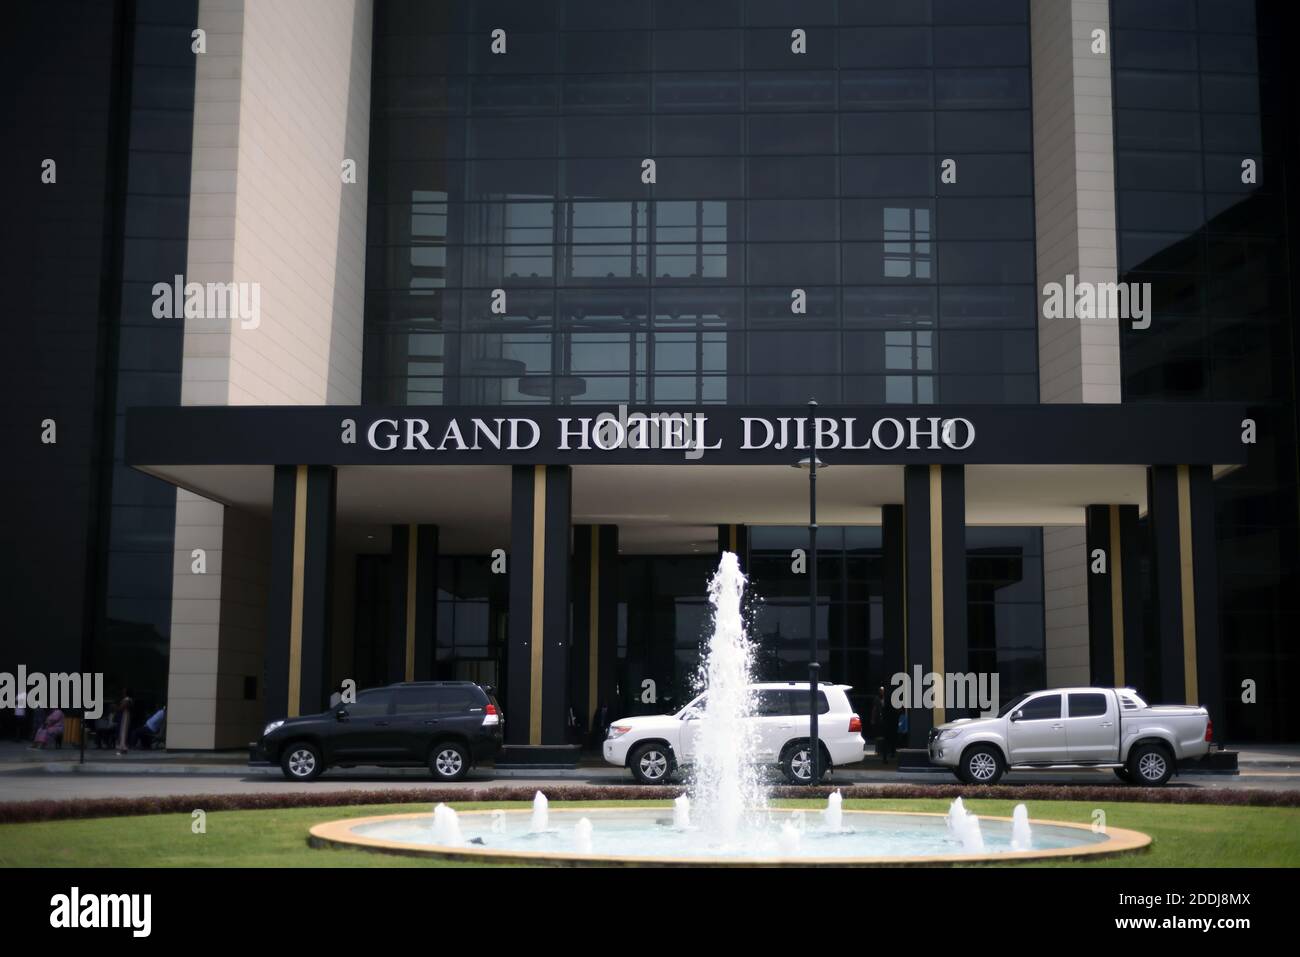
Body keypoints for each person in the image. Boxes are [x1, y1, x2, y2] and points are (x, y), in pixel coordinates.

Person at [871, 684, 899, 764]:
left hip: (887, 723)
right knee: (886, 739)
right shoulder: (878, 700)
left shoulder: (887, 705)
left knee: (887, 740)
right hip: (886, 723)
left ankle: (888, 755)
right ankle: (886, 754)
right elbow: (875, 709)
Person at [114, 689, 134, 755]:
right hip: (126, 715)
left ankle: (122, 747)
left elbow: (122, 707)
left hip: (124, 715)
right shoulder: (129, 699)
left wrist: (117, 708)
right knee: (124, 731)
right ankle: (123, 747)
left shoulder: (127, 700)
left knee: (123, 730)